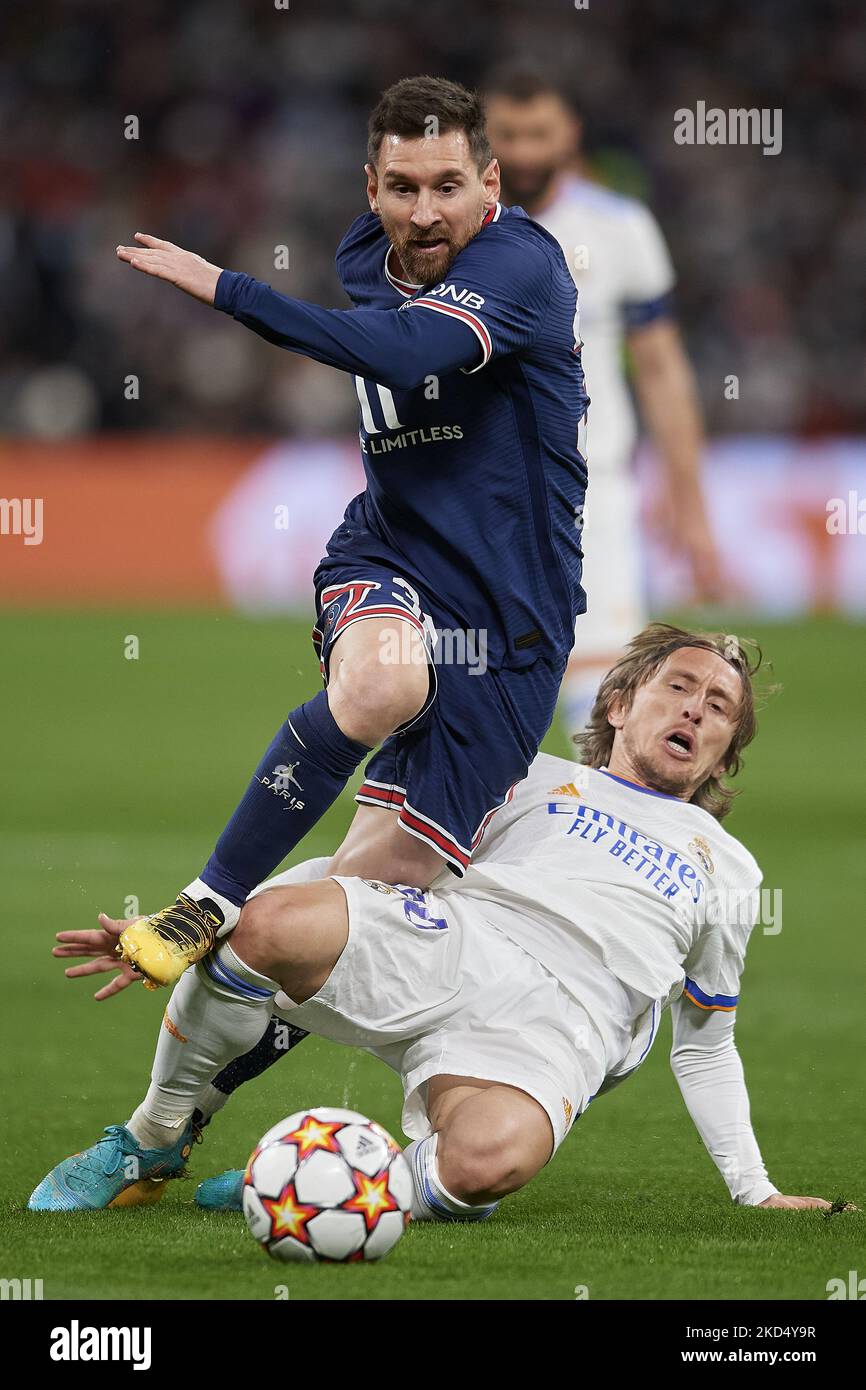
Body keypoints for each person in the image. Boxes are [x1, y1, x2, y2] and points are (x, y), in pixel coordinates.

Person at [31, 625, 841, 1218]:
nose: (697, 711)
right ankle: (153, 1135)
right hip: (455, 941)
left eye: (720, 707)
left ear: (727, 749)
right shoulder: (524, 772)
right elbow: (372, 865)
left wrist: (756, 1189)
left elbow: (706, 1043)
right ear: (621, 703)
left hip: (560, 1030)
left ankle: (321, 1181)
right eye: (680, 687)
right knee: (267, 926)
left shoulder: (728, 869)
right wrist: (212, 922)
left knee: (489, 1161)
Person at [105, 74, 589, 1000]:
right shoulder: (366, 253)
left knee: (358, 908)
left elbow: (406, 354)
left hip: (515, 623)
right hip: (389, 555)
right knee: (381, 681)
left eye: (449, 185)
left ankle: (177, 1113)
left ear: (492, 185)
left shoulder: (523, 265)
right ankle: (203, 900)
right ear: (371, 192)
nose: (425, 211)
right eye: (402, 188)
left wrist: (228, 290)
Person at [483, 64, 723, 732]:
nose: (525, 150)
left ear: (570, 135)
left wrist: (690, 504)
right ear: (483, 136)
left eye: (540, 133)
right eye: (509, 134)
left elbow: (661, 369)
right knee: (476, 703)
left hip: (595, 495)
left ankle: (593, 836)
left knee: (608, 707)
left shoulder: (621, 227)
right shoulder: (450, 229)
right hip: (482, 496)